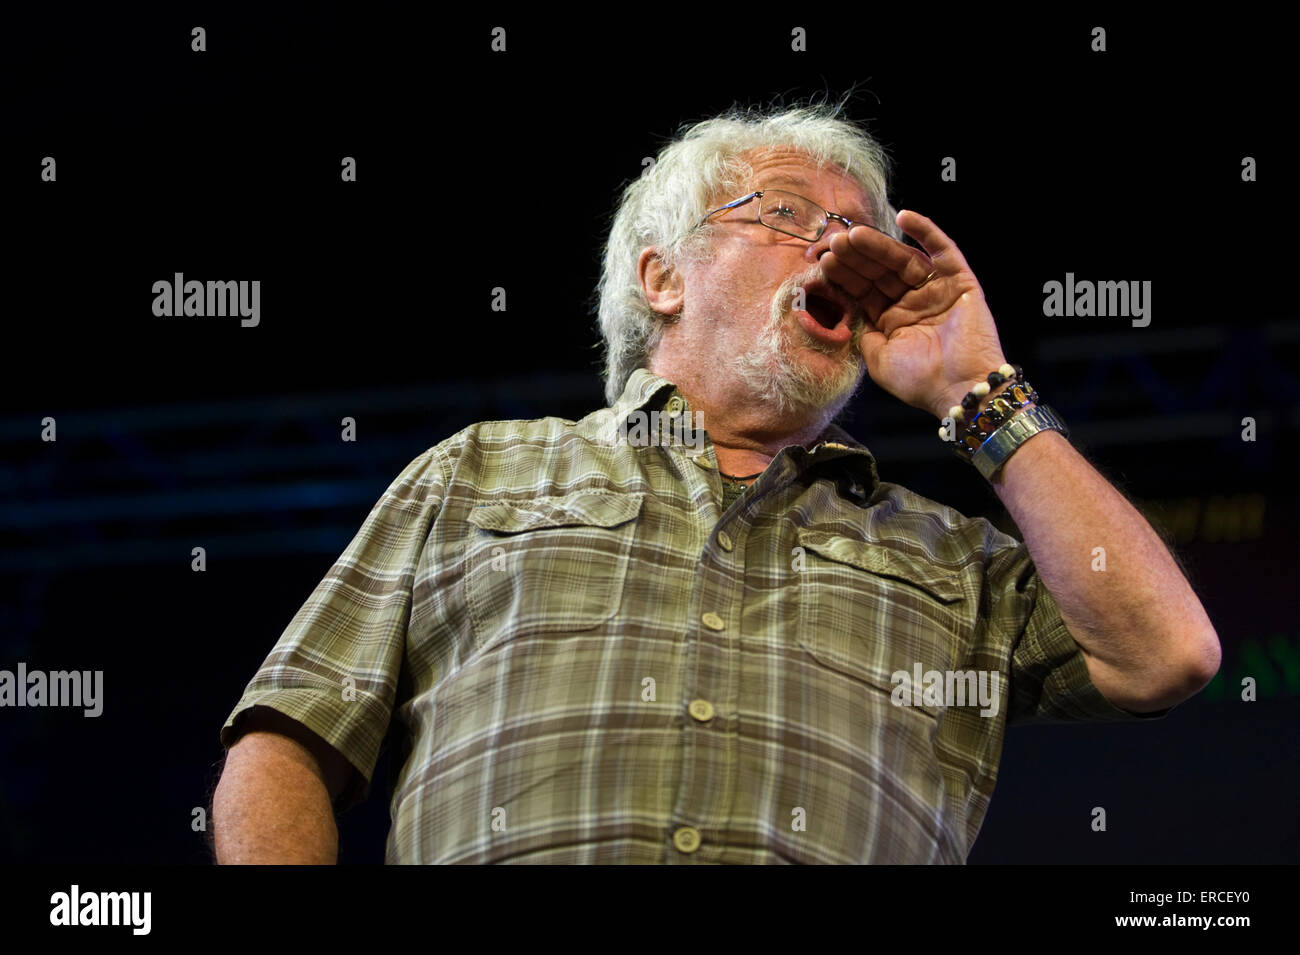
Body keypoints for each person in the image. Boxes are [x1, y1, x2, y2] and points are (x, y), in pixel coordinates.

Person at [212, 102, 1220, 864]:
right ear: (662, 277)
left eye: (862, 228)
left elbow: (1165, 651)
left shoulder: (947, 556)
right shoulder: (476, 475)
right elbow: (287, 741)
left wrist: (978, 389)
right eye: (784, 213)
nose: (839, 245)